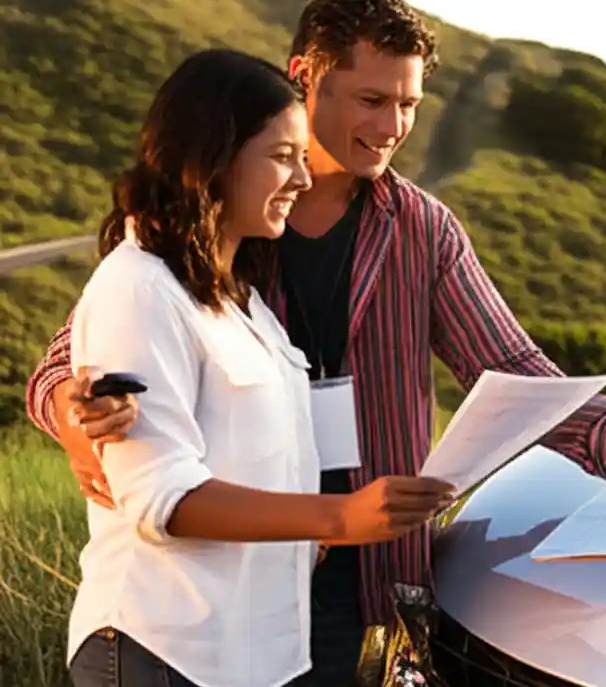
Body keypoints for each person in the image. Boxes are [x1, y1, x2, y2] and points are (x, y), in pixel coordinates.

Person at [26, 0, 606, 682]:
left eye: (408, 104)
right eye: (372, 99)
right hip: (213, 587)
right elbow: (77, 359)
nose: (392, 126)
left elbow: (514, 365)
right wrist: (76, 409)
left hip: (364, 584)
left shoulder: (423, 230)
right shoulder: (214, 218)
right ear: (305, 77)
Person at [60, 48, 454, 687]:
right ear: (211, 160)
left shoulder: (237, 296)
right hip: (166, 652)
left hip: (255, 657)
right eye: (281, 157)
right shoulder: (138, 287)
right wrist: (340, 517)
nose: (301, 180)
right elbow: (164, 499)